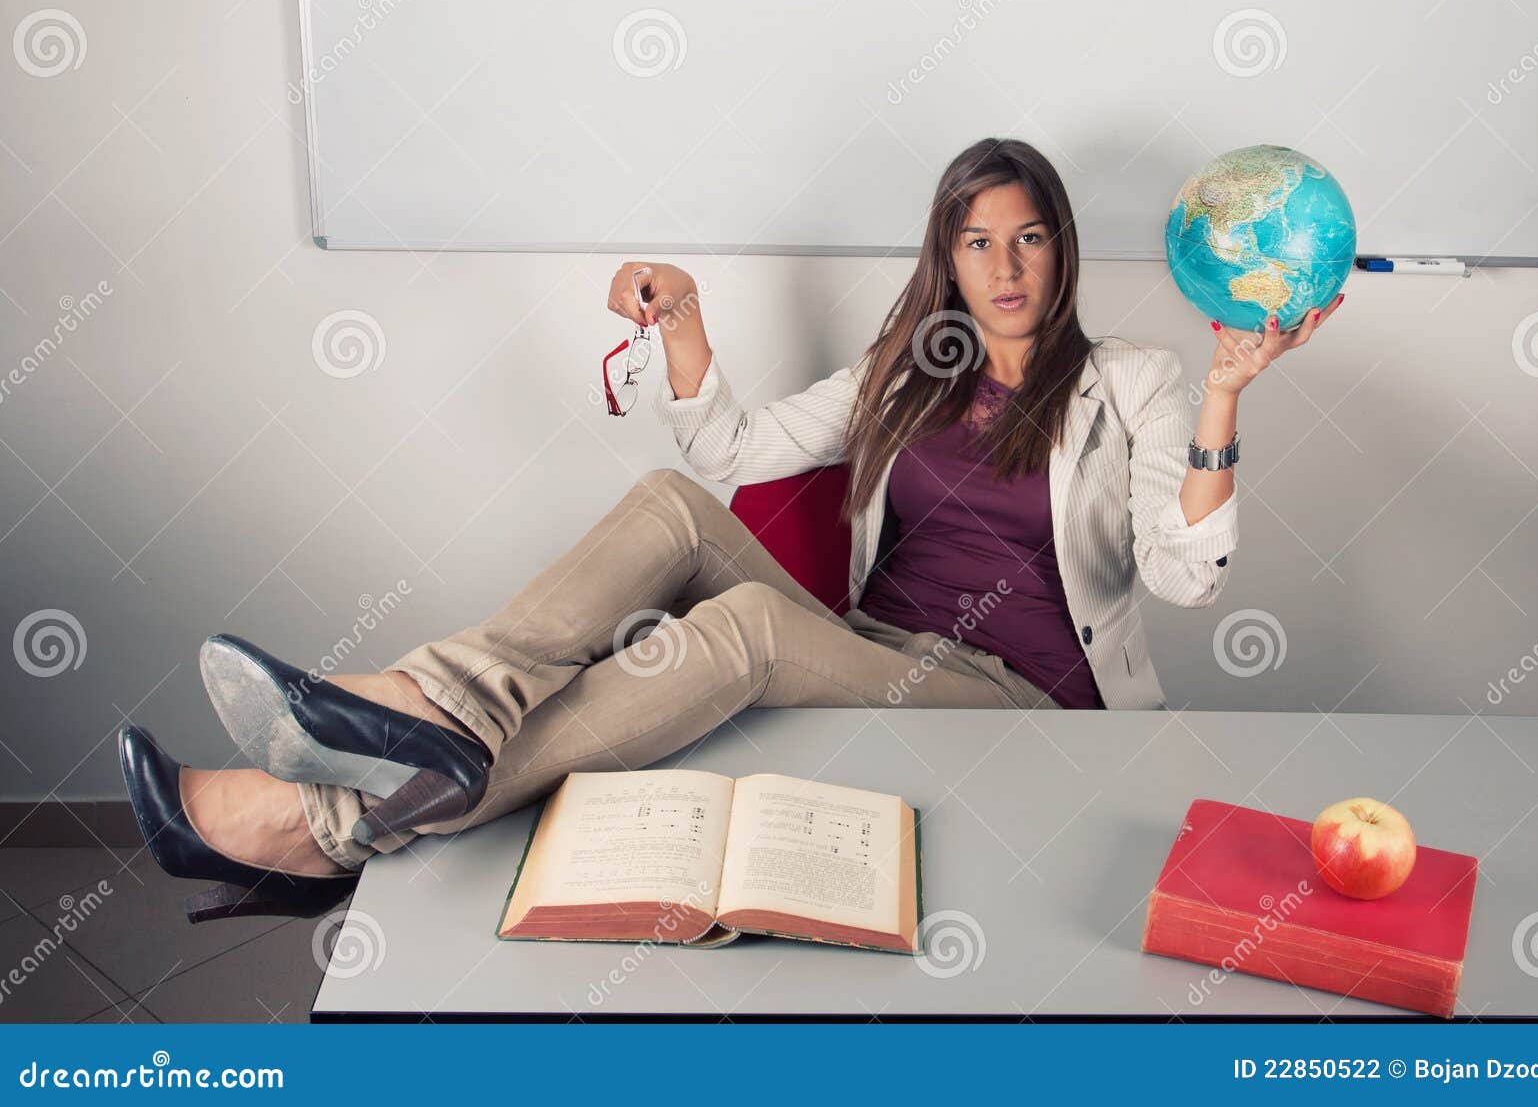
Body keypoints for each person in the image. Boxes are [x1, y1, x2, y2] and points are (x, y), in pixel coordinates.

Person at [119, 137, 1341, 921]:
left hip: (1019, 700)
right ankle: (441, 707)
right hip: (870, 650)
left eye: (1029, 235)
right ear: (948, 258)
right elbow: (732, 454)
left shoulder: (1133, 379)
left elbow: (1184, 579)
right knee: (669, 507)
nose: (1006, 263)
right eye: (978, 240)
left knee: (748, 623)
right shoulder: (914, 362)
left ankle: (325, 820)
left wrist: (1227, 391)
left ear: (1060, 248)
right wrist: (686, 316)